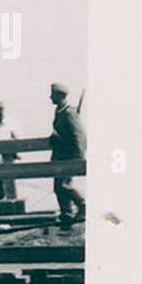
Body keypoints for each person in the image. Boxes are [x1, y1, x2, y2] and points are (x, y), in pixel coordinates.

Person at [48, 83, 86, 229]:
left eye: (53, 94)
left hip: (69, 157)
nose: (51, 97)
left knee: (64, 185)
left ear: (61, 96)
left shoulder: (69, 113)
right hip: (60, 156)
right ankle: (67, 214)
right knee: (58, 187)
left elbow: (79, 136)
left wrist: (78, 158)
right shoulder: (59, 111)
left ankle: (83, 205)